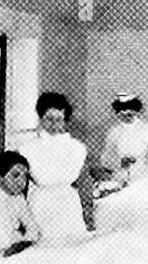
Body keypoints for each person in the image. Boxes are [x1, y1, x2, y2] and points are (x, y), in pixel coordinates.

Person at [18, 92, 93, 240]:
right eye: (49, 119)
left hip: (68, 204)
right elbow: (21, 186)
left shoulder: (76, 148)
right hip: (40, 204)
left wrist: (88, 215)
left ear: (65, 121)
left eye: (59, 120)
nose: (53, 124)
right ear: (41, 118)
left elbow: (84, 183)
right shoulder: (27, 148)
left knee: (69, 248)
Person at [99, 93, 148, 185]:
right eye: (122, 113)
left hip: (143, 178)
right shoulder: (114, 132)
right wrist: (119, 163)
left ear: (136, 111)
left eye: (130, 113)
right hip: (119, 177)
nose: (126, 116)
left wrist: (146, 179)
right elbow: (106, 158)